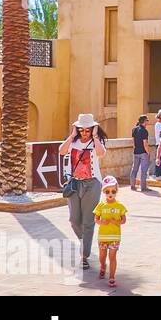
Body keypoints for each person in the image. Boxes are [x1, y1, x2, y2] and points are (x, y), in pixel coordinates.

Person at [60, 114, 105, 271]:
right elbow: (61, 151)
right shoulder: (73, 142)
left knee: (88, 221)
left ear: (92, 129)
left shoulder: (95, 142)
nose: (84, 133)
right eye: (81, 130)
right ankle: (84, 240)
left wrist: (95, 137)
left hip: (92, 184)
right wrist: (72, 135)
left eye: (88, 130)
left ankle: (84, 255)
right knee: (73, 219)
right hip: (74, 184)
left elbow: (101, 154)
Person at [93, 175, 127, 288]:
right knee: (102, 256)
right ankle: (103, 266)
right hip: (103, 236)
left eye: (113, 191)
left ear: (116, 190)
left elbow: (124, 220)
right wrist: (101, 222)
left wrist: (117, 222)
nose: (110, 193)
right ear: (104, 192)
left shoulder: (120, 206)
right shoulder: (101, 205)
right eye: (107, 191)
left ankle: (112, 277)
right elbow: (96, 219)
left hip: (115, 237)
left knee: (112, 256)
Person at [129, 115, 151, 192]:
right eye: (147, 120)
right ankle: (143, 187)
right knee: (143, 170)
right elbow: (145, 143)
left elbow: (133, 142)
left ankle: (132, 185)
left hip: (136, 152)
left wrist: (135, 149)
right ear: (144, 121)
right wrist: (148, 152)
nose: (148, 122)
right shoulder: (144, 131)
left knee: (134, 169)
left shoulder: (134, 129)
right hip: (143, 152)